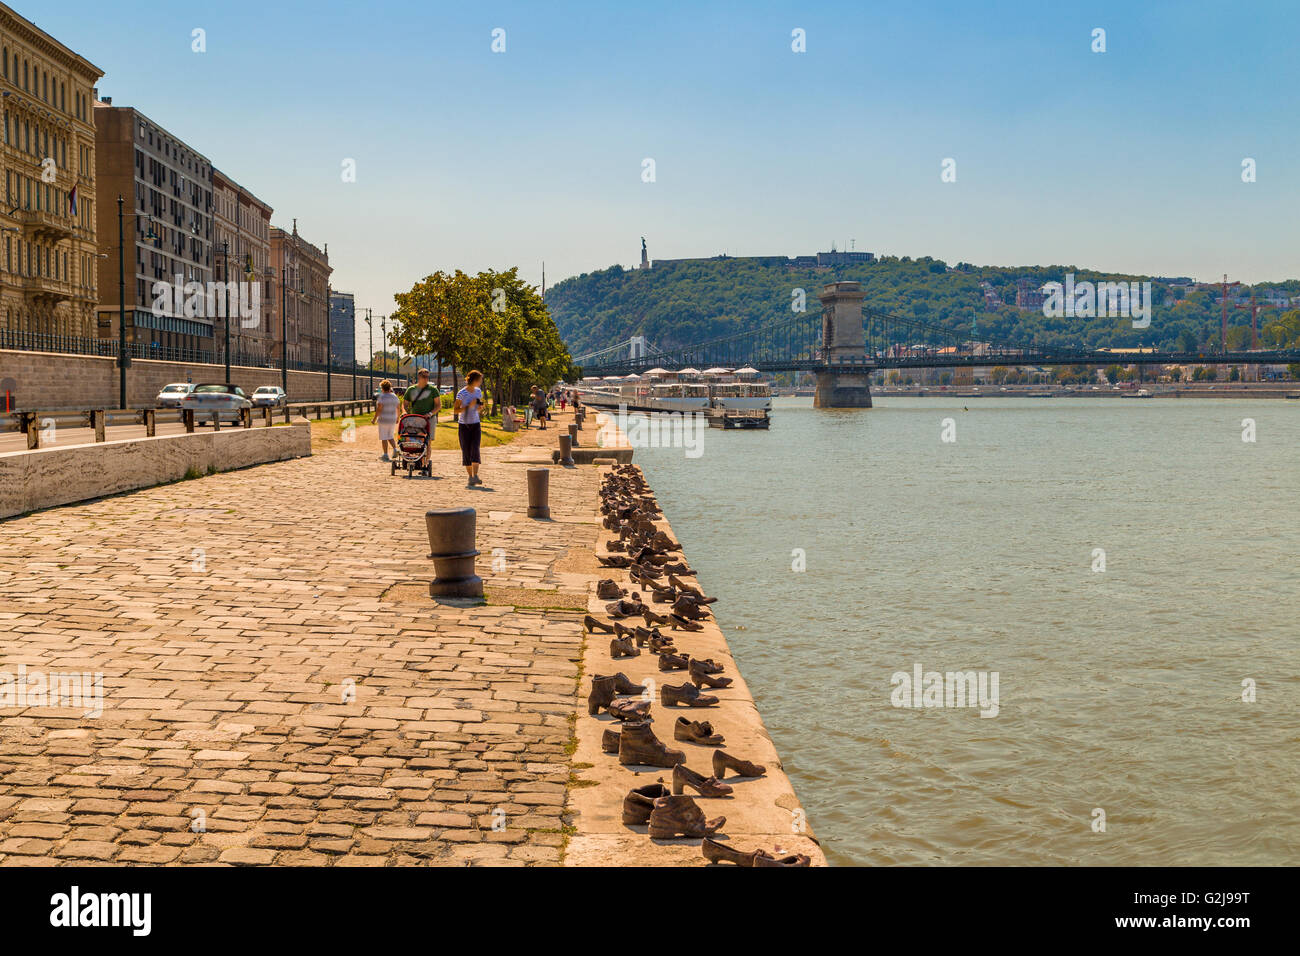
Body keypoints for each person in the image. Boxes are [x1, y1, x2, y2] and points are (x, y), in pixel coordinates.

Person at [402, 368, 439, 469]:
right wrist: (404, 412)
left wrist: (430, 413)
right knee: (415, 439)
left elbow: (438, 405)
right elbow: (404, 404)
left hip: (429, 419)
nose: (426, 379)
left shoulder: (433, 390)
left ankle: (425, 464)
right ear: (419, 377)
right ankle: (416, 459)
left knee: (427, 441)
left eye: (427, 377)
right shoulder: (411, 389)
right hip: (414, 418)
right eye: (424, 376)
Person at [454, 370, 485, 486]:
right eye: (480, 380)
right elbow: (456, 410)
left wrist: (479, 408)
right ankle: (470, 477)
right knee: (466, 451)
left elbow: (477, 407)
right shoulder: (461, 393)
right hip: (464, 426)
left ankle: (475, 476)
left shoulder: (478, 392)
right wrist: (468, 406)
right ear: (475, 380)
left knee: (475, 449)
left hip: (476, 424)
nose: (481, 382)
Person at [373, 380, 399, 460]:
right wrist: (398, 417)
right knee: (390, 435)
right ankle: (395, 449)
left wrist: (374, 419)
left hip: (383, 419)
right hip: (392, 419)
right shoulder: (394, 396)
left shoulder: (381, 397)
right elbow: (398, 408)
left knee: (384, 437)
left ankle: (385, 454)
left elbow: (379, 409)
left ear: (382, 388)